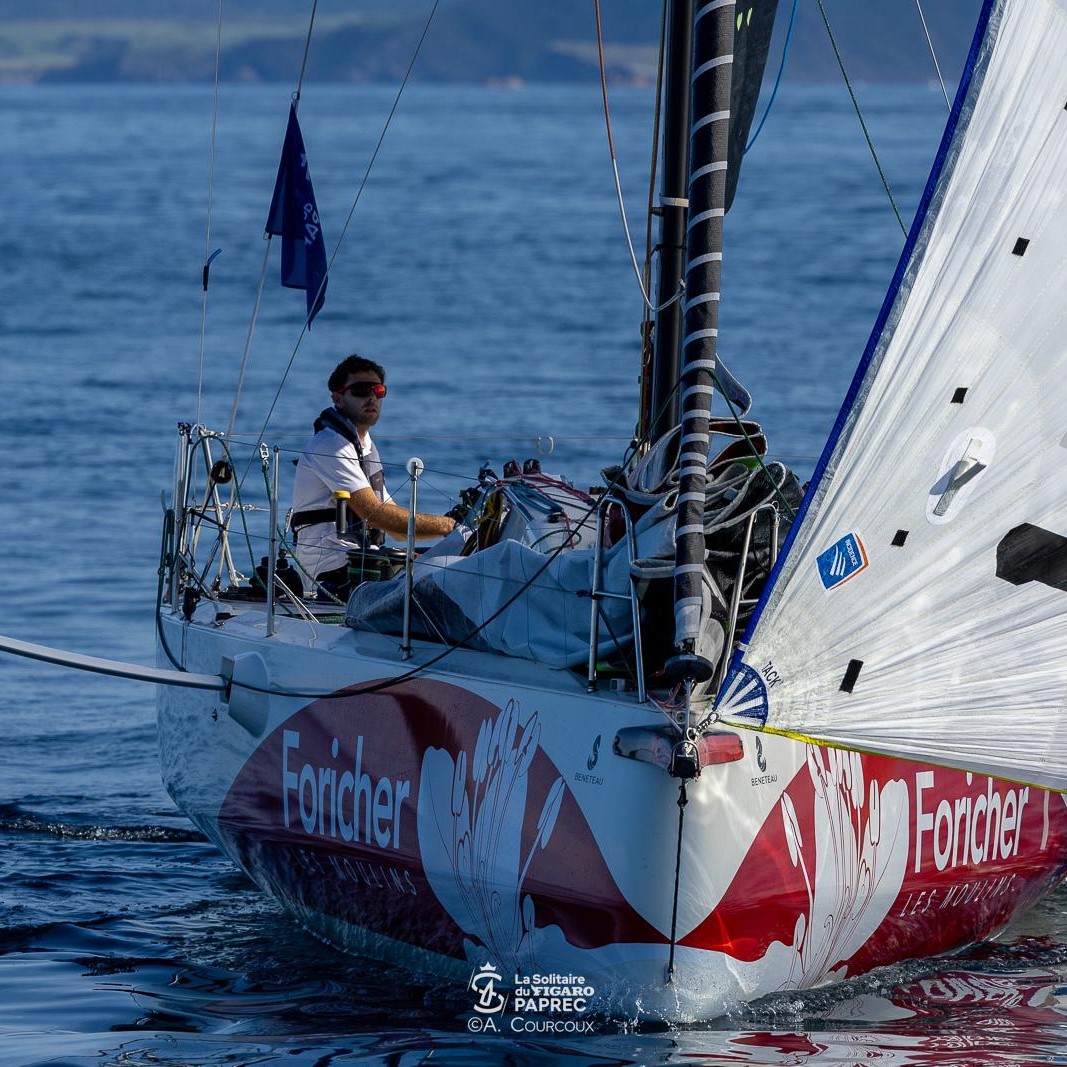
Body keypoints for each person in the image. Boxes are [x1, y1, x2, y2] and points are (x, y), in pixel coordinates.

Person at [290, 354, 456, 596]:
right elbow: (376, 515)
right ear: (338, 398)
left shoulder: (364, 446)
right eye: (360, 390)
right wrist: (449, 526)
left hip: (364, 562)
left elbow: (397, 530)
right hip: (332, 571)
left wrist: (452, 540)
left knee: (451, 566)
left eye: (377, 390)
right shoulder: (330, 445)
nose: (371, 397)